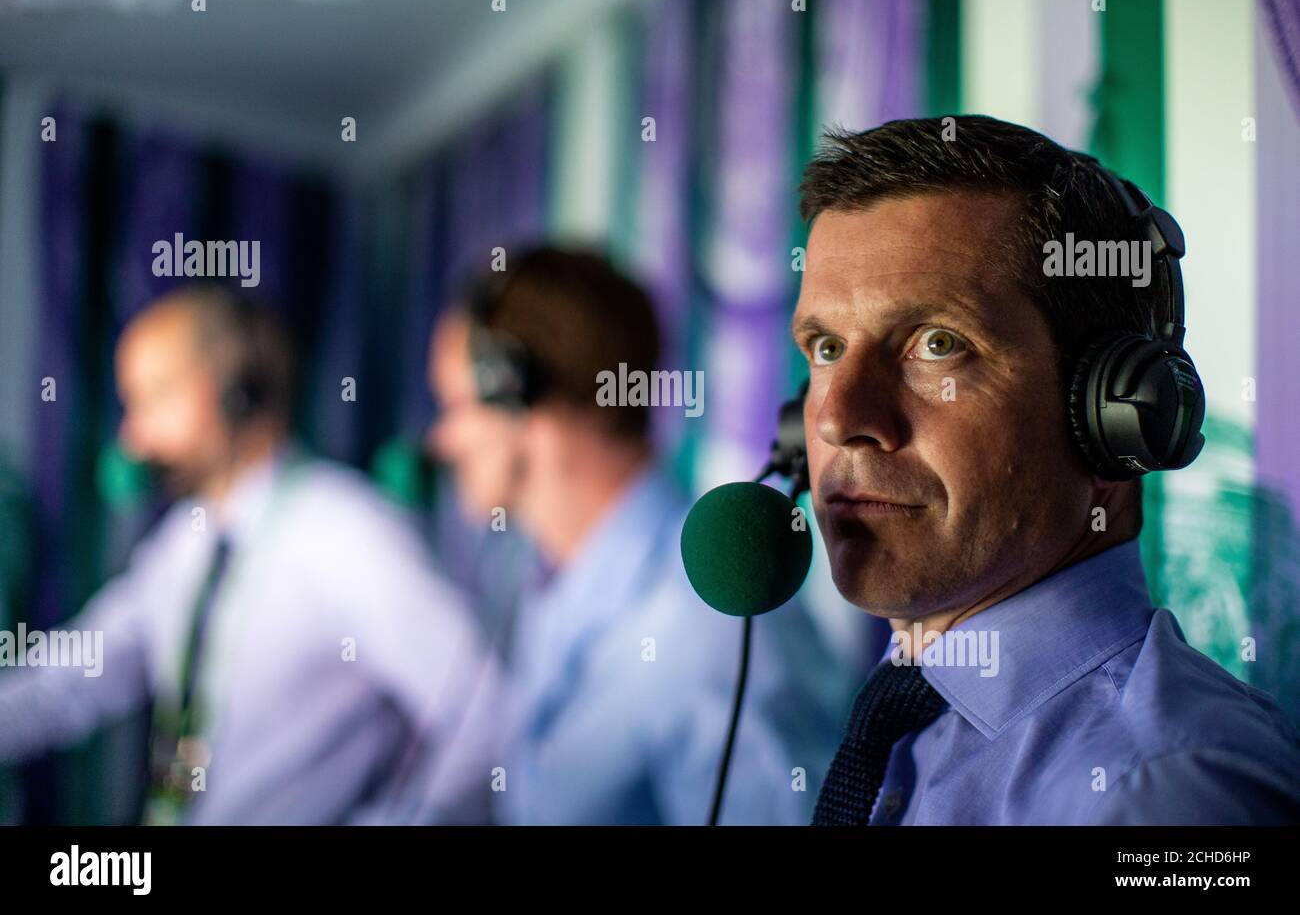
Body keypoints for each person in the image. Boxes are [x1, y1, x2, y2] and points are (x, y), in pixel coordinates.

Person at [794, 116, 1300, 825]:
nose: (836, 418)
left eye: (937, 343)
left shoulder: (1165, 795)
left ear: (1115, 413)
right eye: (825, 348)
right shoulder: (907, 717)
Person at [0, 281, 500, 824]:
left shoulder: (346, 530)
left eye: (155, 397)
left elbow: (482, 711)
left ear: (238, 392)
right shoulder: (188, 541)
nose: (132, 434)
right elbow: (73, 679)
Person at [427, 247, 842, 824]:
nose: (441, 442)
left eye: (454, 406)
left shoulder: (714, 625)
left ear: (519, 395)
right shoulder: (554, 587)